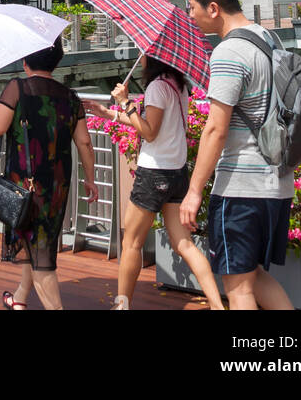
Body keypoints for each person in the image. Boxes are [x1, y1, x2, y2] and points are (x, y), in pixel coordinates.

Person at [180, 0, 294, 311]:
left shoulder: (229, 52)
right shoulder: (269, 38)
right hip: (278, 183)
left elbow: (215, 129)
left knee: (239, 288)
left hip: (241, 189)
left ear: (213, 8)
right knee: (254, 276)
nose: (191, 15)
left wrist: (194, 190)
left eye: (193, 7)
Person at [87, 56, 224, 310]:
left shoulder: (156, 87)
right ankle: (217, 305)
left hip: (153, 174)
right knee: (184, 244)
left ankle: (122, 305)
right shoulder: (177, 84)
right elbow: (152, 125)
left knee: (131, 243)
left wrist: (125, 101)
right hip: (177, 173)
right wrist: (109, 114)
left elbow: (149, 132)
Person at [0, 35, 97, 311]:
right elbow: (84, 141)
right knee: (35, 240)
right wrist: (91, 179)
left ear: (25, 62)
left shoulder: (17, 88)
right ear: (56, 61)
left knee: (41, 255)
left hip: (23, 183)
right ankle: (21, 298)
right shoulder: (71, 97)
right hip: (56, 185)